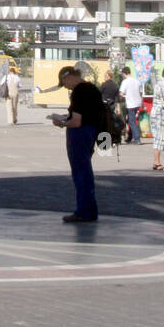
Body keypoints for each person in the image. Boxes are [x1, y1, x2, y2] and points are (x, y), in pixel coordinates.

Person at [50, 66, 104, 222]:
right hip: (91, 133)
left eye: (64, 82)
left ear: (68, 77)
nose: (65, 86)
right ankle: (89, 209)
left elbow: (76, 121)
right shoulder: (92, 88)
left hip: (80, 135)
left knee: (81, 172)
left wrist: (61, 123)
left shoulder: (79, 92)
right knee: (85, 171)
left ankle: (84, 211)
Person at [118, 66, 143, 145]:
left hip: (131, 104)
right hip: (138, 103)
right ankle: (129, 137)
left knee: (131, 122)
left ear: (124, 73)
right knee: (131, 120)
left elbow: (121, 93)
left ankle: (137, 138)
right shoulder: (137, 81)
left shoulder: (125, 82)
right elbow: (141, 93)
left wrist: (118, 99)